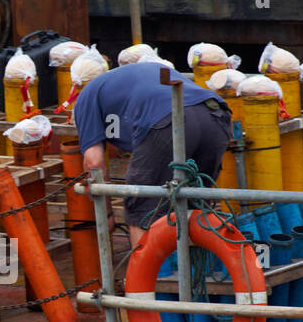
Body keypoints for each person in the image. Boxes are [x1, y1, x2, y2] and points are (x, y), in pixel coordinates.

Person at [74, 59, 232, 249]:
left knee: (142, 209)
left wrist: (106, 213)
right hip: (216, 114)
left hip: (167, 119)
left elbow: (94, 162)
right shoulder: (128, 78)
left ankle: (146, 278)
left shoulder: (86, 98)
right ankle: (194, 273)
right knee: (195, 206)